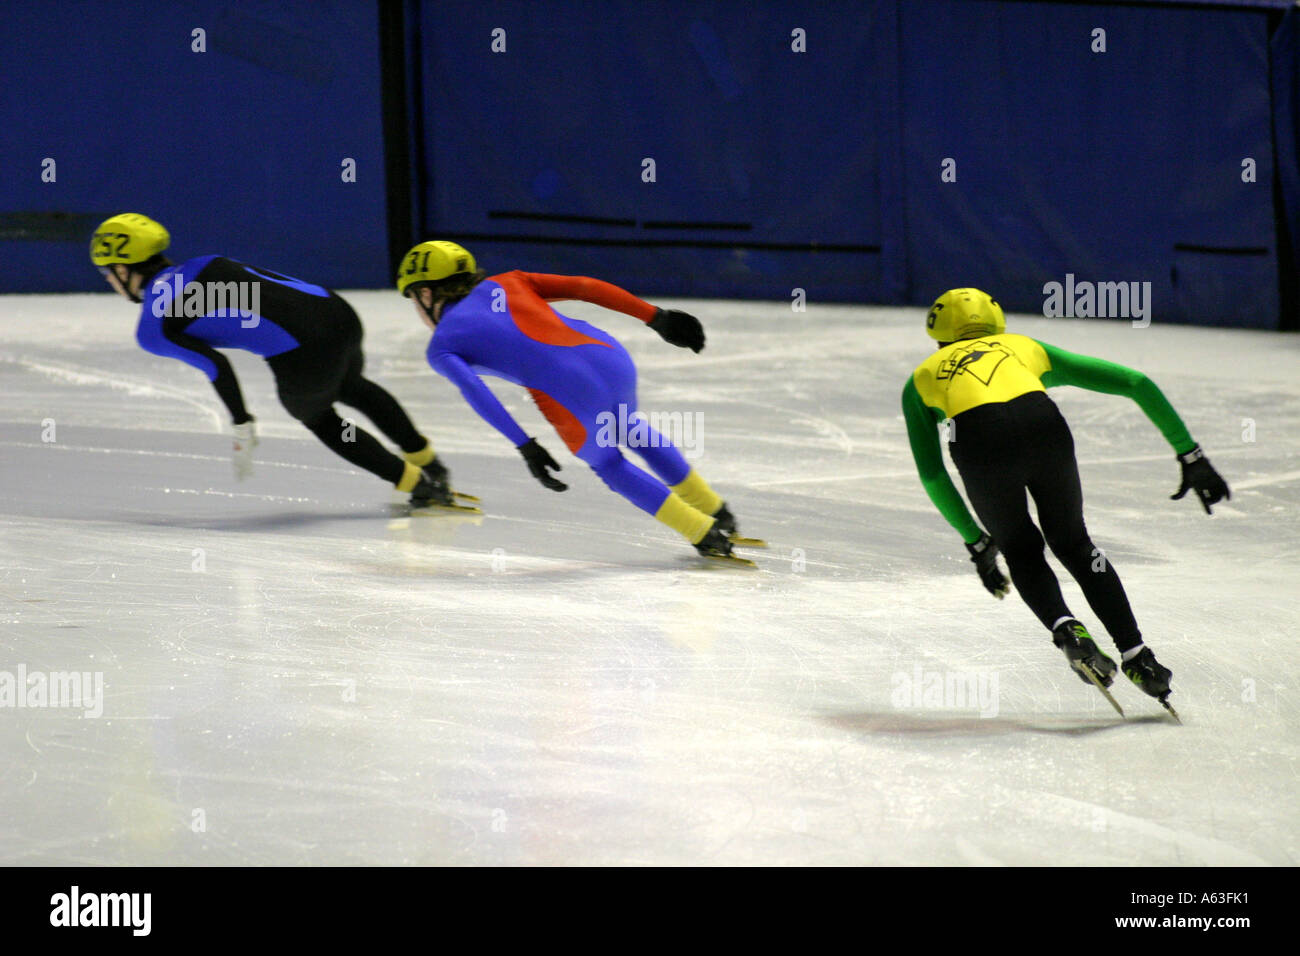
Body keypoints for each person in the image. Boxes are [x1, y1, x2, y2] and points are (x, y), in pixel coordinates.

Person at [901, 288, 1230, 707]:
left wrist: (976, 540)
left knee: (1021, 551)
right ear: (997, 320)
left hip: (980, 443)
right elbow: (1136, 382)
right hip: (1043, 428)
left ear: (938, 335)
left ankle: (1067, 628)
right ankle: (1138, 656)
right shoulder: (1024, 347)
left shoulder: (921, 379)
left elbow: (931, 474)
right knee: (1075, 544)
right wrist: (1190, 453)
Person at [395, 239, 745, 558]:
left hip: (570, 397)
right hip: (611, 357)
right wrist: (656, 317)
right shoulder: (509, 281)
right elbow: (583, 286)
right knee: (629, 427)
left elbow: (475, 390)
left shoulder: (442, 345)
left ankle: (704, 533)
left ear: (426, 294)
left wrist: (525, 446)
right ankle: (716, 510)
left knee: (610, 465)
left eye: (413, 299)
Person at [90, 213, 452, 505]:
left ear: (124, 269)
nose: (109, 281)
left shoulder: (154, 324)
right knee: (350, 386)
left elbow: (216, 366)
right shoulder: (204, 262)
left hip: (304, 350)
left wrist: (241, 422)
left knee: (320, 416)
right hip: (338, 312)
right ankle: (426, 459)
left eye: (108, 273)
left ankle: (417, 484)